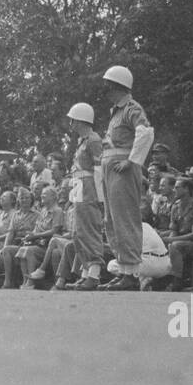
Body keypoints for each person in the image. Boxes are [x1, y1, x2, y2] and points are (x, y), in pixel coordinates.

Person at [98, 66, 155, 288]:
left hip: (123, 170)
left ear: (119, 87)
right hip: (111, 169)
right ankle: (124, 270)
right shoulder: (117, 112)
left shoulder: (132, 108)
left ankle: (131, 274)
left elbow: (145, 133)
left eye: (110, 88)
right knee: (111, 220)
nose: (107, 92)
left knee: (125, 219)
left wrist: (132, 161)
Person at [62, 102, 106, 291]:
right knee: (78, 232)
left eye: (73, 120)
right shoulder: (83, 141)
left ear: (80, 120)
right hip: (79, 186)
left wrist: (100, 197)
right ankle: (86, 272)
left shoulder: (93, 140)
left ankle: (94, 274)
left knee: (88, 230)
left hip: (89, 187)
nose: (71, 123)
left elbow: (98, 170)